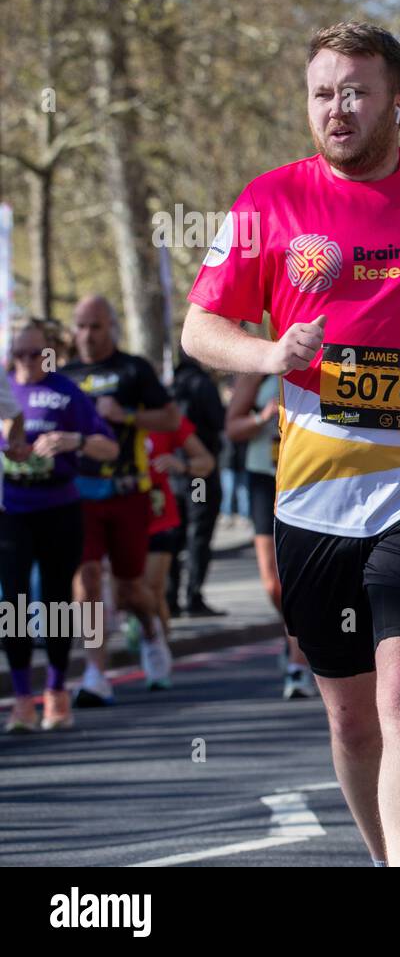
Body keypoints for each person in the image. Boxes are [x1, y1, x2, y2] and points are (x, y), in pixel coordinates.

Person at [181, 21, 400, 867]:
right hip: (313, 494)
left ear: (397, 104)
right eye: (322, 93)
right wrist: (268, 355)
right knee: (350, 713)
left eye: (356, 91)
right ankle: (385, 856)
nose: (336, 108)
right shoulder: (267, 203)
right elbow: (199, 326)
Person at [64, 296, 180, 705]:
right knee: (88, 581)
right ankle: (96, 672)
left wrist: (126, 415)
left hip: (129, 493)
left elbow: (171, 419)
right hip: (79, 496)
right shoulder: (65, 375)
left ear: (111, 327)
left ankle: (151, 632)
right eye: (80, 326)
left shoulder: (133, 368)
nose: (87, 335)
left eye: (95, 326)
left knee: (130, 589)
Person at [2, 322, 113, 732]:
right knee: (11, 603)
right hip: (11, 508)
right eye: (19, 354)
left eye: (35, 354)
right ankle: (21, 700)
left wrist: (73, 442)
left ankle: (56, 691)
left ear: (49, 353)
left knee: (55, 602)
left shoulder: (67, 393)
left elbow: (109, 447)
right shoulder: (3, 387)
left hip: (59, 506)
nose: (26, 362)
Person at [226, 370, 314, 699]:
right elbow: (232, 428)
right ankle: (298, 632)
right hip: (266, 478)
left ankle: (297, 666)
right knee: (273, 583)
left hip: (309, 477)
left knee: (298, 580)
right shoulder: (259, 366)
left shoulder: (322, 357)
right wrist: (263, 417)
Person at [142, 415, 216, 660]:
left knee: (154, 588)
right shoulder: (106, 411)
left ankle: (158, 651)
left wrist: (181, 466)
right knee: (124, 591)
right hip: (113, 510)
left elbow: (206, 462)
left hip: (167, 505)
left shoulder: (168, 416)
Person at [167, 346, 227, 617]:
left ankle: (170, 597)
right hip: (199, 473)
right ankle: (193, 596)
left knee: (176, 535)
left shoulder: (171, 385)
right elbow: (218, 422)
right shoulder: (202, 383)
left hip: (174, 474)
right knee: (198, 534)